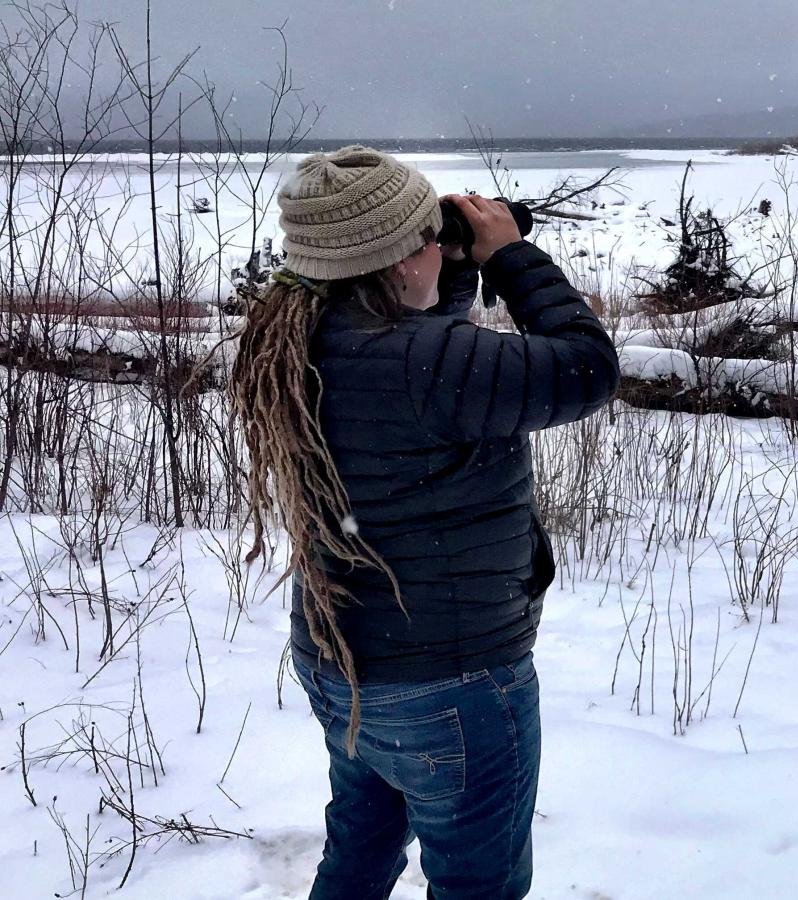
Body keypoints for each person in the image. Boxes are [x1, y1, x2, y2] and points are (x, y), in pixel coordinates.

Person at [230, 145, 619, 899]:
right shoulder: (428, 365)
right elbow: (586, 368)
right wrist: (512, 257)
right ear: (397, 261)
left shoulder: (298, 332)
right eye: (429, 240)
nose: (442, 251)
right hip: (450, 685)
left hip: (341, 661)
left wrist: (449, 260)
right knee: (479, 884)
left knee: (362, 846)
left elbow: (418, 342)